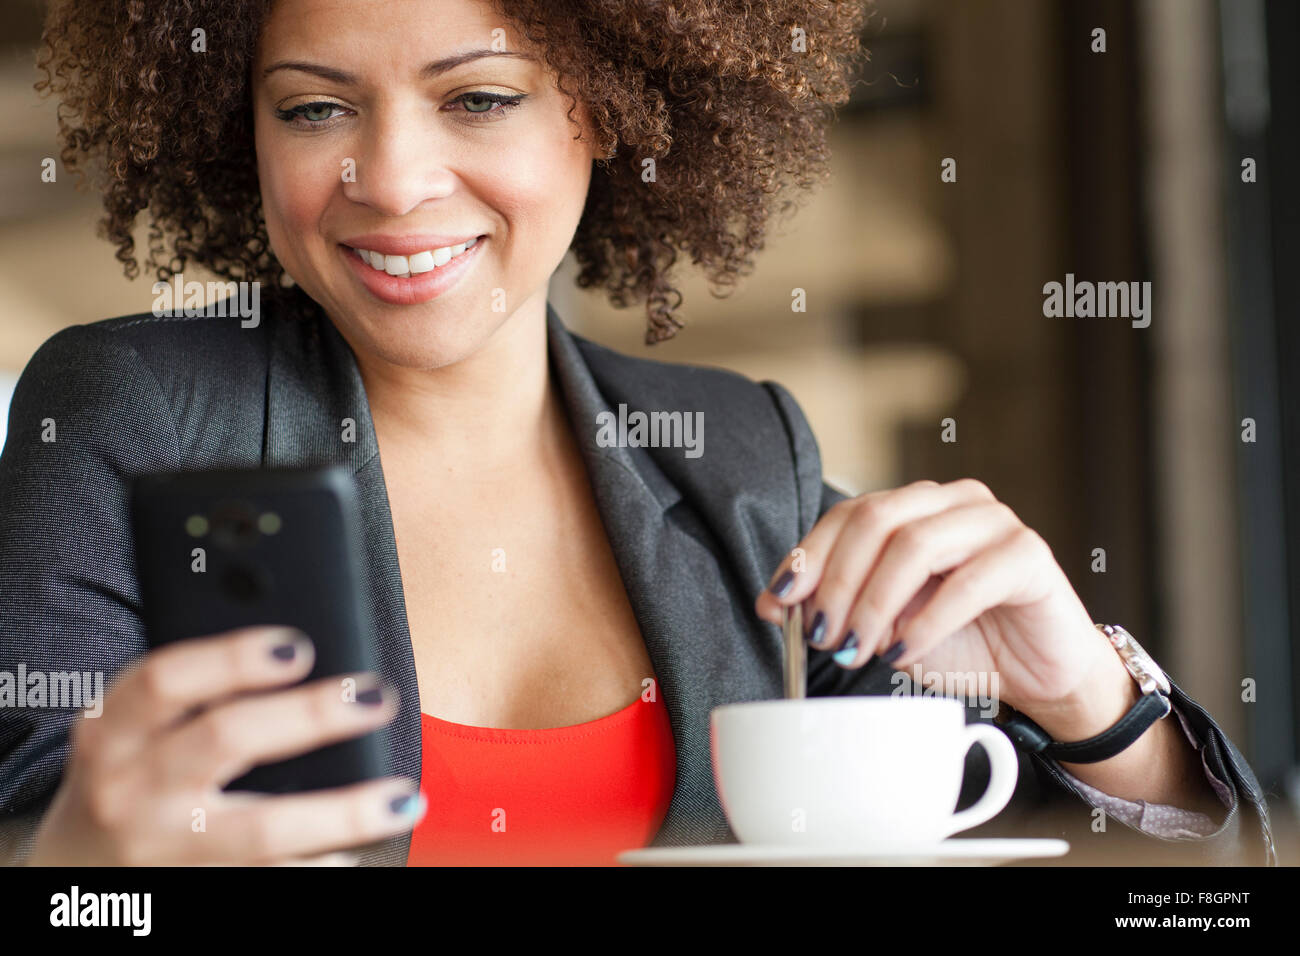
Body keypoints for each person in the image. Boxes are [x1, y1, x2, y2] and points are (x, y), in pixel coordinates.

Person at [0, 0, 1275, 866]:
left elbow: (1184, 884)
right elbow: (50, 850)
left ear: (606, 109)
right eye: (313, 108)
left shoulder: (735, 455)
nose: (389, 178)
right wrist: (83, 872)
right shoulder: (135, 412)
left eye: (480, 98)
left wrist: (1089, 699)